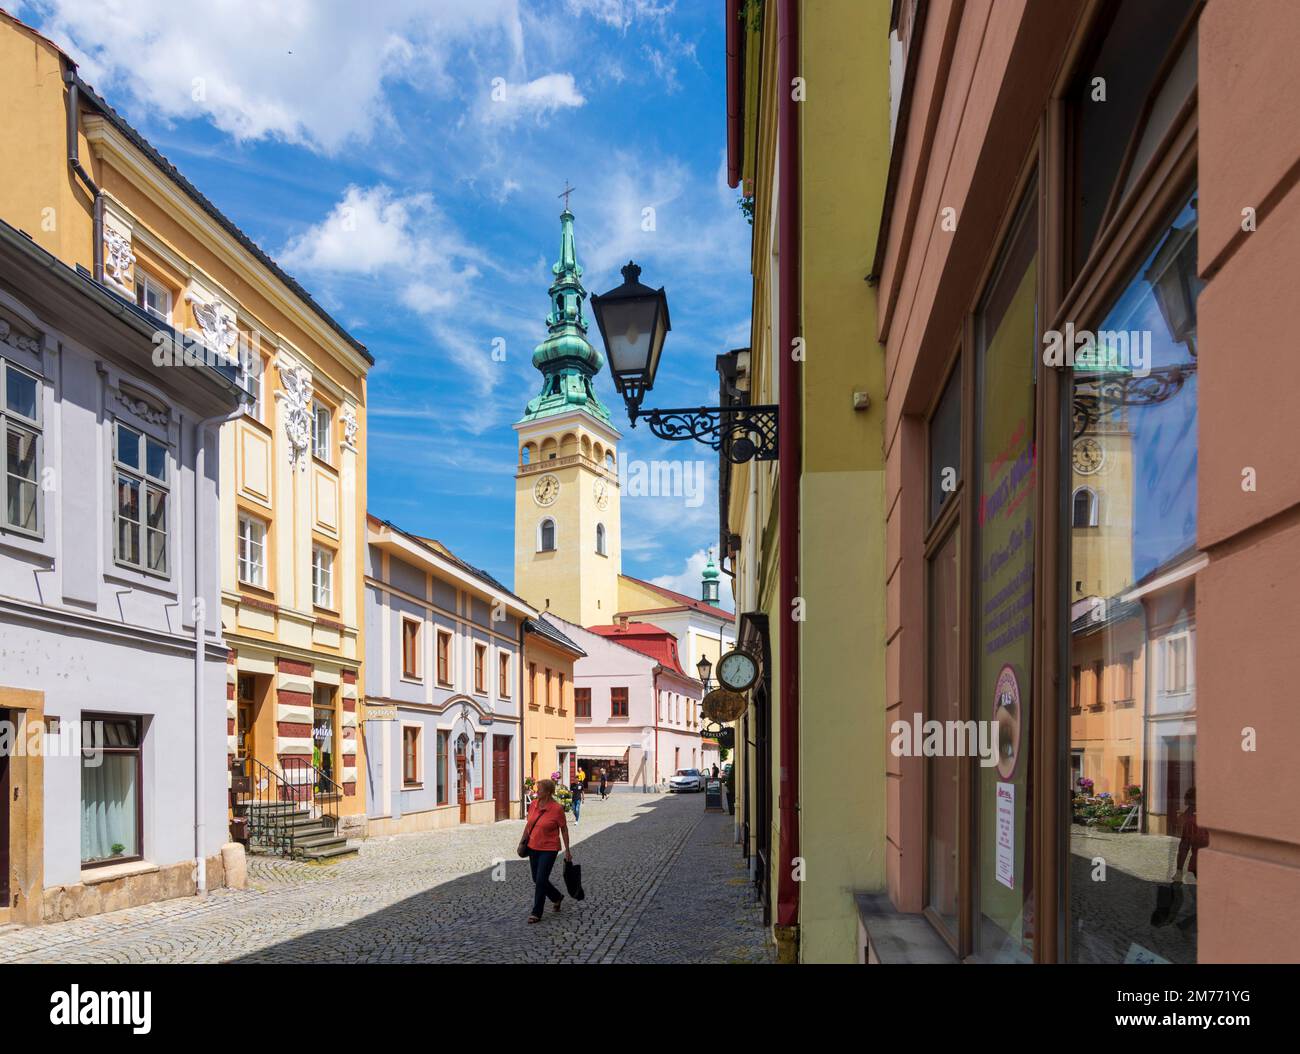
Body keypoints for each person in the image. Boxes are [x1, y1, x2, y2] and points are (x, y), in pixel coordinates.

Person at [524, 778, 571, 923]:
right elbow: (529, 825)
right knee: (536, 878)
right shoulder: (533, 805)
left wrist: (567, 850)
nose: (537, 791)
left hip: (549, 848)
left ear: (549, 792)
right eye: (537, 789)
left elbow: (564, 829)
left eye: (540, 789)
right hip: (533, 846)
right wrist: (523, 841)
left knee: (541, 880)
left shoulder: (556, 809)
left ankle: (536, 912)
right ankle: (556, 897)